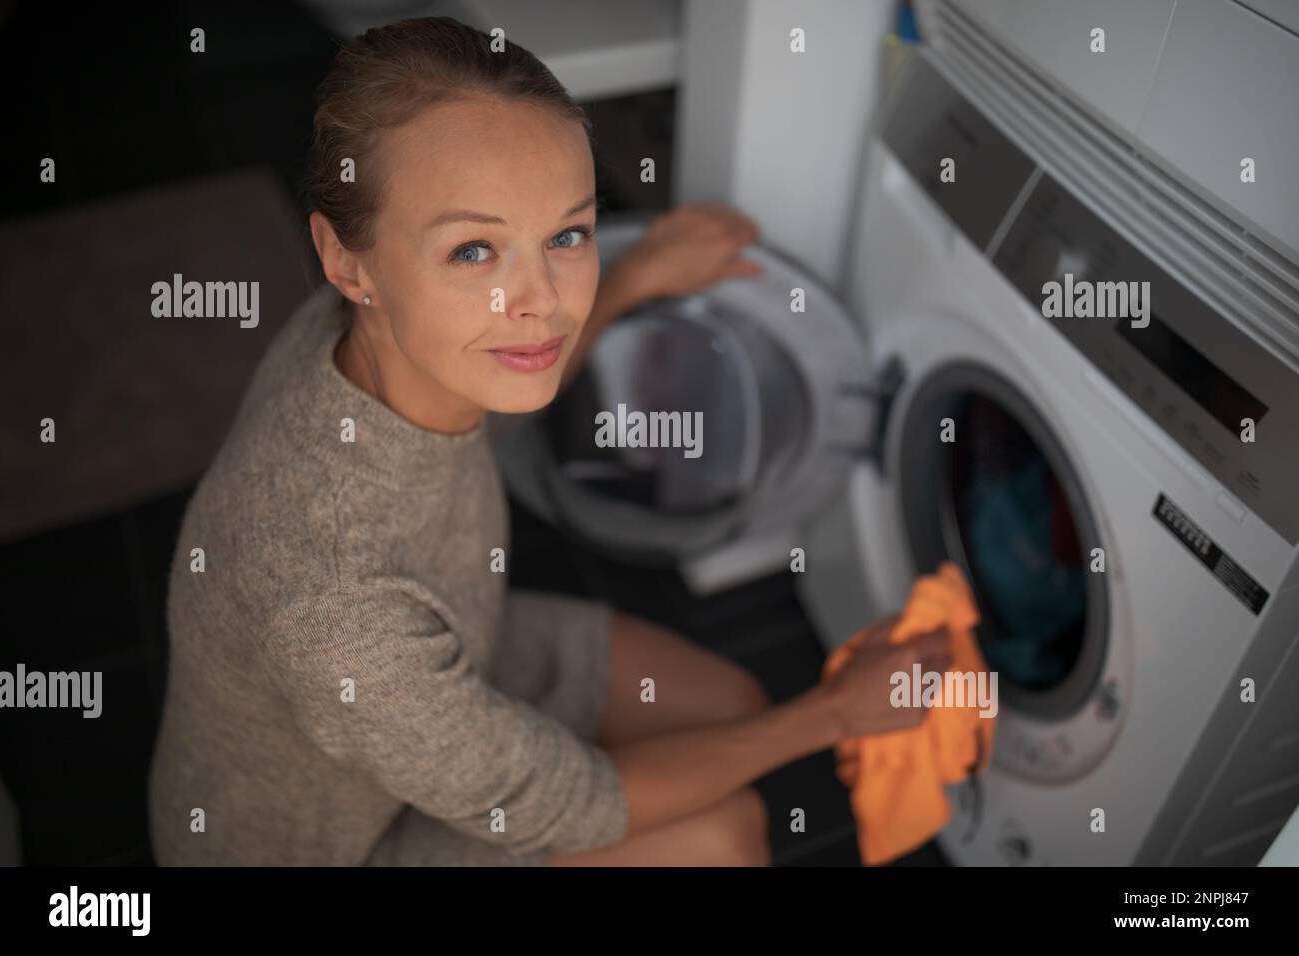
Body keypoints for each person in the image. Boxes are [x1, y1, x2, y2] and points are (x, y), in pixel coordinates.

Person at [148, 15, 951, 867]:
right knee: (727, 834)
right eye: (473, 251)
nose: (541, 302)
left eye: (567, 234)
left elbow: (509, 361)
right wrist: (835, 715)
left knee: (733, 699)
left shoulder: (354, 329)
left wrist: (641, 273)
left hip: (457, 639)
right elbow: (575, 805)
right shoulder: (332, 611)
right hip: (336, 844)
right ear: (348, 261)